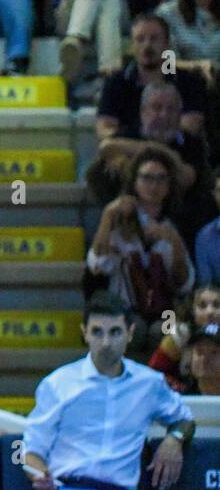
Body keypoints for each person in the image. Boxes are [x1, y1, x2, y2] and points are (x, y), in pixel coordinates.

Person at [23, 293, 194, 490]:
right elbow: (31, 452)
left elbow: (185, 419)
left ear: (130, 333)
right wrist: (40, 476)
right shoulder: (57, 384)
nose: (105, 343)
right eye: (97, 332)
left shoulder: (149, 383)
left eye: (115, 332)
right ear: (84, 333)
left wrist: (174, 439)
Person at [87, 147, 193, 356]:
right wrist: (107, 216)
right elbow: (97, 265)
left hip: (165, 310)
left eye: (161, 179)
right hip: (124, 308)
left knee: (162, 331)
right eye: (146, 178)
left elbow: (184, 284)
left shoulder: (176, 224)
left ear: (169, 185)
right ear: (135, 182)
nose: (154, 185)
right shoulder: (117, 219)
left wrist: (175, 243)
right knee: (134, 330)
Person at [86, 81, 216, 251]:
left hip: (180, 219)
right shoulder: (129, 133)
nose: (163, 115)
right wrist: (166, 154)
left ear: (180, 114)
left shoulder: (191, 143)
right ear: (143, 112)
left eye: (171, 109)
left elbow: (185, 178)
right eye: (156, 107)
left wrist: (133, 156)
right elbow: (106, 147)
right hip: (130, 217)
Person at [95, 13, 207, 141]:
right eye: (140, 39)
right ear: (132, 46)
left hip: (176, 154)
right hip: (129, 154)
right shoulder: (116, 82)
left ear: (167, 44)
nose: (147, 45)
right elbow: (104, 128)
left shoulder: (187, 81)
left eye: (154, 39)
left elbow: (191, 126)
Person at [148, 284, 220, 392]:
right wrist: (180, 390)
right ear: (192, 311)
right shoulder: (178, 336)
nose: (210, 312)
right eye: (202, 306)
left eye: (216, 305)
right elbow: (154, 373)